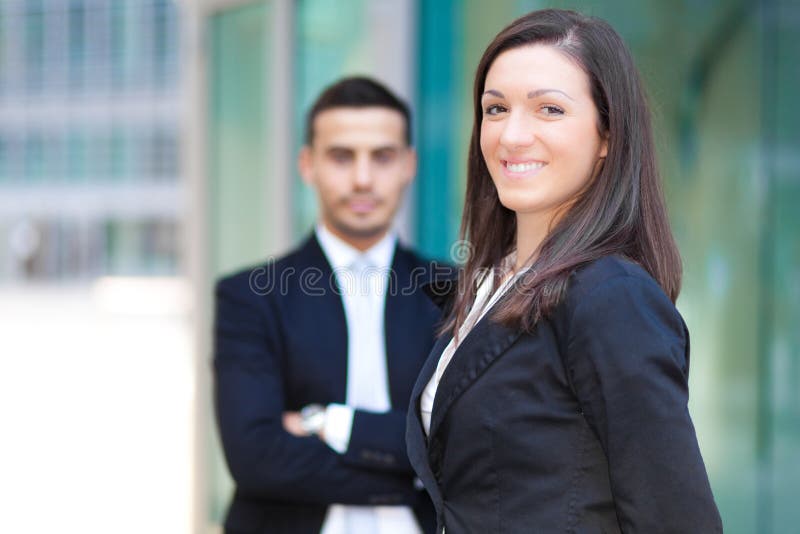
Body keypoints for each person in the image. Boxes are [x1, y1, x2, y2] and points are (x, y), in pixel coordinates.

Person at [405, 9, 723, 533]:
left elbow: (677, 520)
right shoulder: (490, 282)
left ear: (607, 137)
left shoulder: (611, 297)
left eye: (549, 109)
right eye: (496, 108)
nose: (511, 136)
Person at [214, 77, 447, 534]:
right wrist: (416, 477)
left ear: (408, 165)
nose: (362, 178)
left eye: (382, 157)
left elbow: (465, 444)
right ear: (308, 165)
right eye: (342, 157)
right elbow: (255, 457)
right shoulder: (250, 295)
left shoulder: (456, 292)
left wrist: (325, 422)